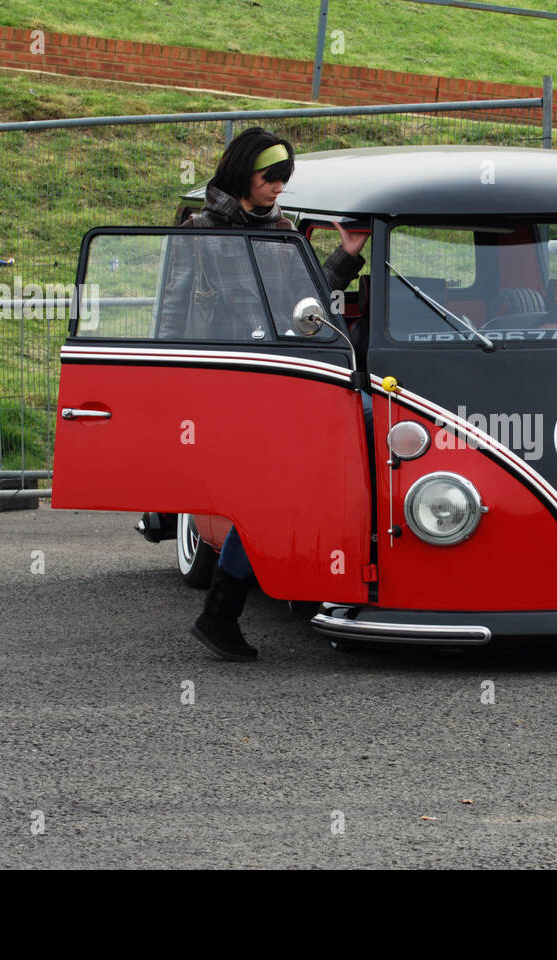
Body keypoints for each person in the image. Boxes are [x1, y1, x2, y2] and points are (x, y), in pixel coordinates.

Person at [162, 127, 367, 660]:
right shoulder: (199, 228)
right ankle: (221, 612)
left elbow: (307, 301)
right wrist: (169, 387)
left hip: (279, 379)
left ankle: (225, 612)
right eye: (270, 177)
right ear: (243, 173)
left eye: (284, 179)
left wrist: (347, 253)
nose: (278, 188)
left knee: (279, 497)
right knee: (270, 497)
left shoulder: (282, 229)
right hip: (228, 381)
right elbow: (172, 310)